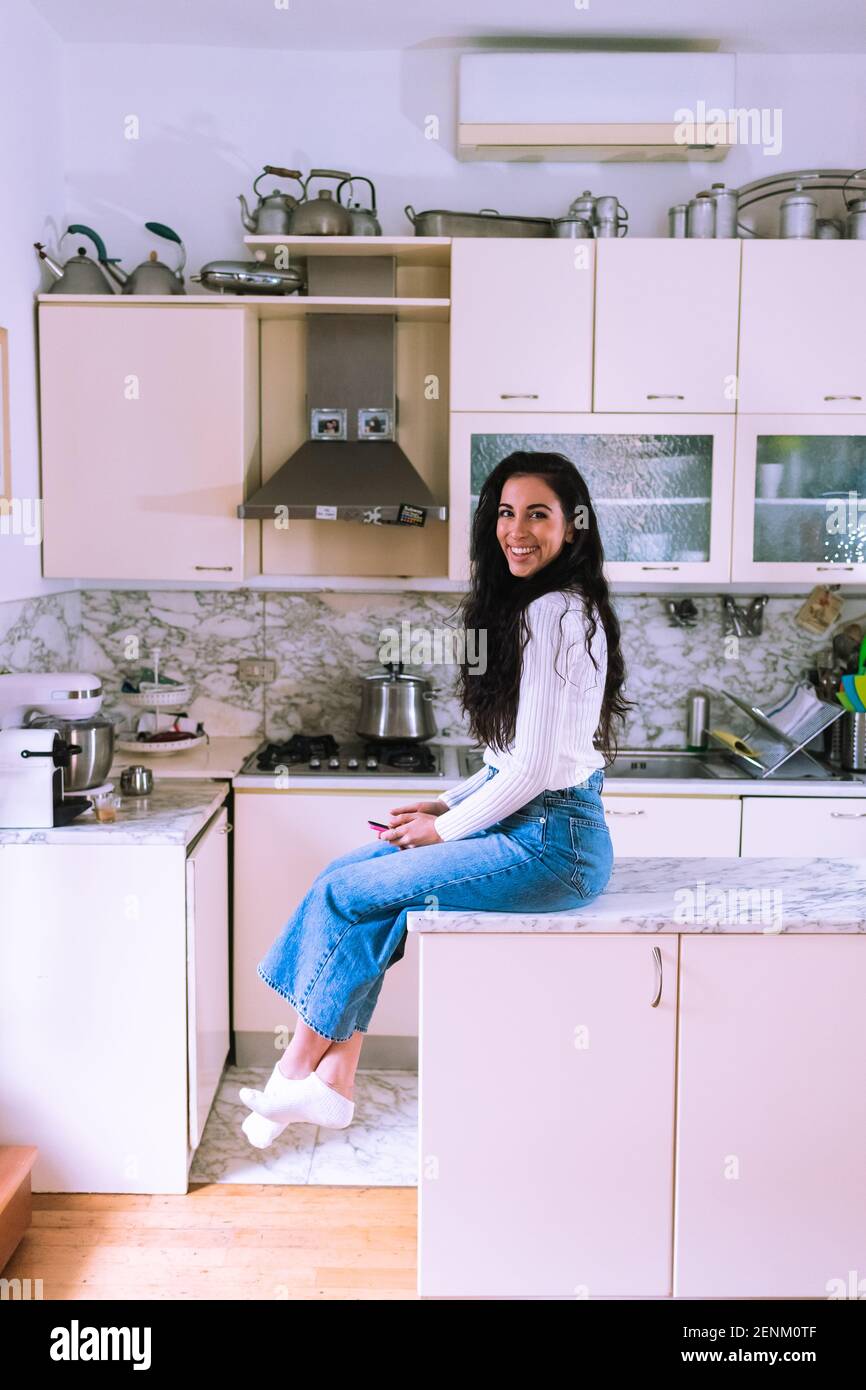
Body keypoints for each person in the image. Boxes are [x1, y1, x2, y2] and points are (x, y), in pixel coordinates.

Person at [240, 450, 631, 1147]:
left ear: (572, 526)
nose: (517, 529)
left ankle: (296, 1069)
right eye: (506, 513)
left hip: (551, 846)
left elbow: (538, 769)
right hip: (530, 829)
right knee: (347, 876)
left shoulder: (557, 614)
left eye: (537, 514)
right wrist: (444, 807)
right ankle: (336, 1079)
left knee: (349, 894)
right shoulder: (549, 608)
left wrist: (447, 832)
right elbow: (508, 762)